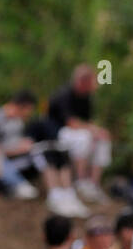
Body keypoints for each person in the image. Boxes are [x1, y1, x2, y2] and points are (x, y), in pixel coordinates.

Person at [47, 64, 111, 201]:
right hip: (59, 132)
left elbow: (88, 121)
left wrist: (98, 131)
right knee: (84, 138)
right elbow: (70, 122)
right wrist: (92, 130)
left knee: (102, 139)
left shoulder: (86, 97)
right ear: (83, 81)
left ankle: (93, 184)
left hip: (78, 131)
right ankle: (81, 181)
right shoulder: (64, 95)